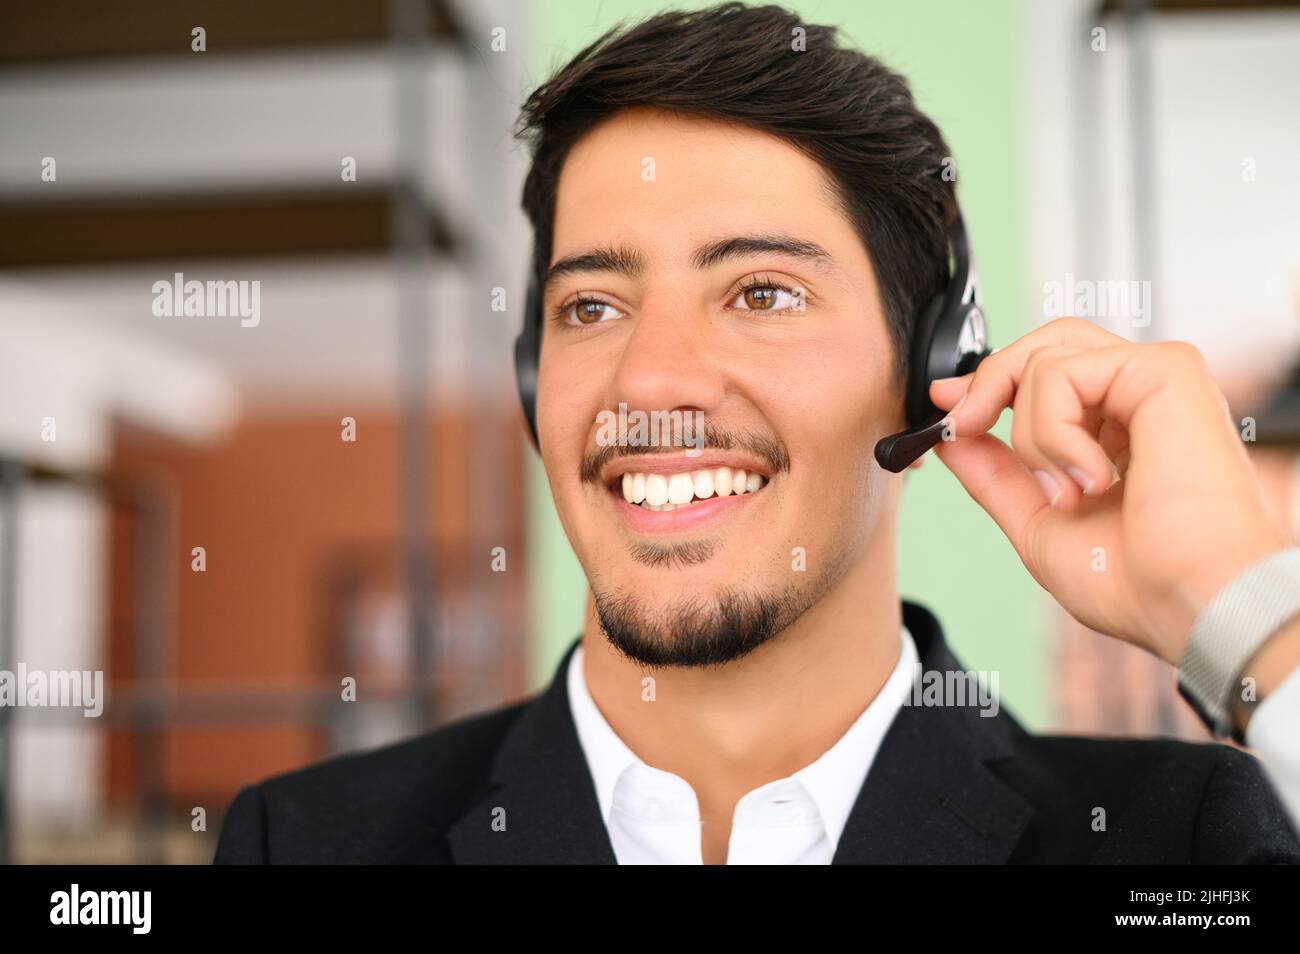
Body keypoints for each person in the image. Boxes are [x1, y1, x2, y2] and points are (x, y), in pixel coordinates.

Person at [213, 2, 1300, 864]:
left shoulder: (1182, 839)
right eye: (591, 307)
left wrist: (1244, 616)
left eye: (761, 293)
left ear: (931, 376)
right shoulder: (305, 842)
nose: (649, 381)